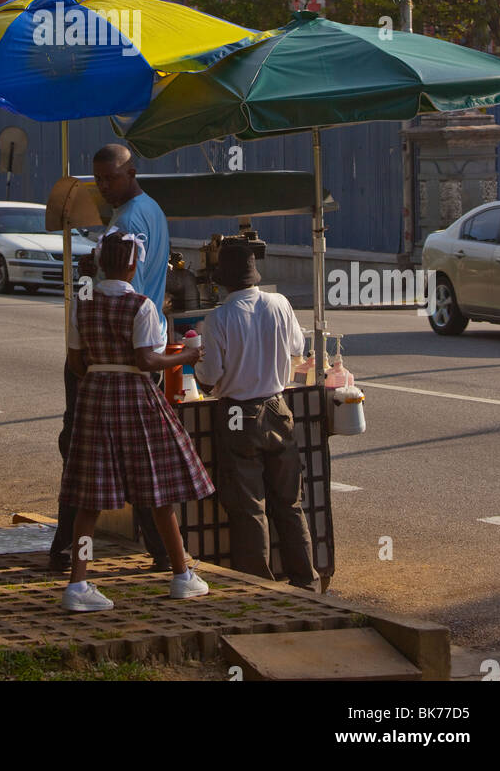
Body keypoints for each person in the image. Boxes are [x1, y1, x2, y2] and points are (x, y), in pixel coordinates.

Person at [59, 230, 214, 612]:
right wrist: (183, 359)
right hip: (135, 397)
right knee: (156, 489)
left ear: (100, 263)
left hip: (94, 395)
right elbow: (146, 360)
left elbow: (75, 362)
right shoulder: (142, 305)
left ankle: (77, 583)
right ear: (132, 264)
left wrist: (100, 371)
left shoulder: (83, 302)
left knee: (89, 499)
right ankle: (181, 575)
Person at [49, 142, 173, 572]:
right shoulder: (151, 210)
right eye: (98, 180)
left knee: (83, 455)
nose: (103, 187)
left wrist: (86, 281)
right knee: (139, 458)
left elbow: (111, 284)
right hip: (137, 349)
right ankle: (164, 556)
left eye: (110, 178)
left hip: (110, 352)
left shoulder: (129, 221)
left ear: (131, 172)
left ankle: (67, 552)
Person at [195, 238, 319, 591]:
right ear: (255, 275)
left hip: (238, 414)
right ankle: (305, 579)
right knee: (289, 501)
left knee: (250, 506)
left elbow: (209, 376)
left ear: (221, 281)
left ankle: (257, 585)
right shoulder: (280, 303)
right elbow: (298, 347)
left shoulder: (217, 318)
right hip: (279, 408)